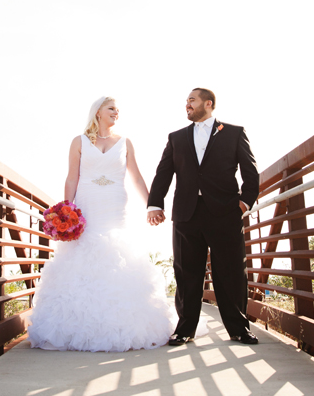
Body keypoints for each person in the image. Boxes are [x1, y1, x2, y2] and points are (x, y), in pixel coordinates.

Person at [28, 96, 175, 351]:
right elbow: (72, 177)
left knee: (118, 254)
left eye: (118, 109)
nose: (116, 112)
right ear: (97, 112)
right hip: (88, 205)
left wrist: (152, 205)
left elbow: (137, 177)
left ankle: (121, 325)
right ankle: (77, 326)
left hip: (115, 205)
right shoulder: (79, 141)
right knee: (82, 255)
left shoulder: (125, 142)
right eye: (111, 108)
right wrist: (65, 210)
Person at [147, 88, 261, 346]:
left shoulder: (234, 133)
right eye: (186, 101)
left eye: (192, 100)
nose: (187, 104)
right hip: (187, 214)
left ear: (208, 104)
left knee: (231, 272)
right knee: (186, 273)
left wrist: (243, 204)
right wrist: (155, 204)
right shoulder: (176, 138)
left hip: (225, 212)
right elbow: (163, 173)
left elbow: (250, 173)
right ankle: (185, 329)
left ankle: (239, 329)